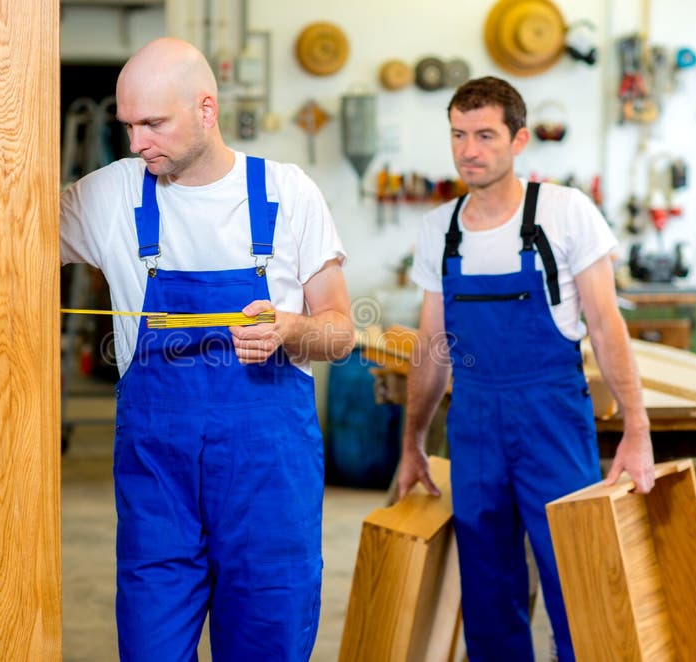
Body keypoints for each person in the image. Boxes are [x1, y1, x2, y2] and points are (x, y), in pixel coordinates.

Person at [60, 37, 354, 661]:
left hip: (267, 480)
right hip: (157, 481)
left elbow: (340, 330)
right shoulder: (108, 195)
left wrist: (290, 329)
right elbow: (0, 235)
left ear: (206, 109)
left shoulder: (287, 192)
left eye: (153, 123)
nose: (137, 143)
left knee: (266, 642)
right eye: (128, 126)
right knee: (151, 646)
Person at [396, 76, 655, 662]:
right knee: (488, 586)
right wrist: (413, 441)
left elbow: (607, 325)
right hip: (474, 423)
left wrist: (637, 429)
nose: (469, 150)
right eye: (458, 135)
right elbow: (433, 344)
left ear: (519, 140)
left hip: (550, 417)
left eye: (485, 135)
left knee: (575, 570)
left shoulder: (564, 212)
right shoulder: (439, 230)